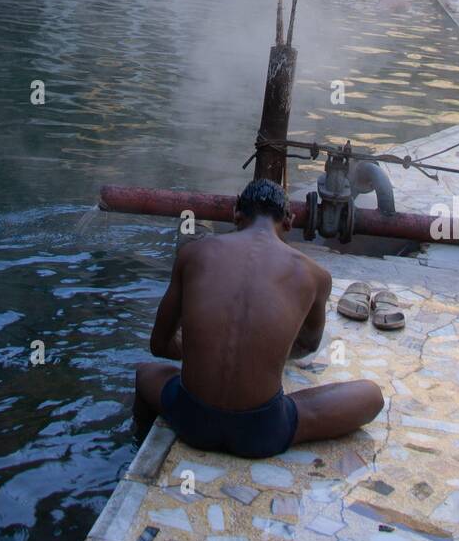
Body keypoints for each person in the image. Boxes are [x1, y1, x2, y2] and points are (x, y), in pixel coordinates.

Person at [134, 179, 384, 458]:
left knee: (147, 373)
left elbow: (159, 345)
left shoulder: (194, 253)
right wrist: (261, 352)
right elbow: (308, 345)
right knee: (372, 395)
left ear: (235, 214)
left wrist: (203, 349)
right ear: (289, 222)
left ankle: (138, 444)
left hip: (191, 420)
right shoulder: (315, 275)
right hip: (262, 431)